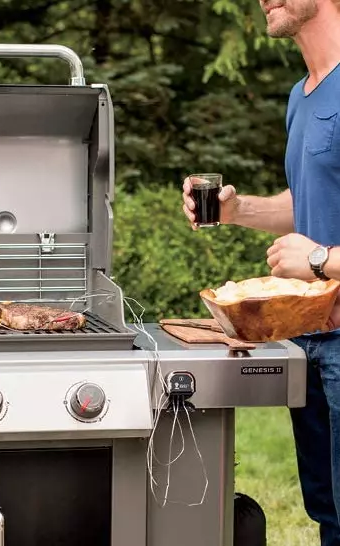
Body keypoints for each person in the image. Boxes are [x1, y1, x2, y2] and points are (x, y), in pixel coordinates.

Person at [182, 0, 340, 543]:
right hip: (314, 338)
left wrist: (319, 260)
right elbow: (309, 202)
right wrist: (236, 210)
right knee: (329, 514)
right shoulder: (304, 95)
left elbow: (316, 242)